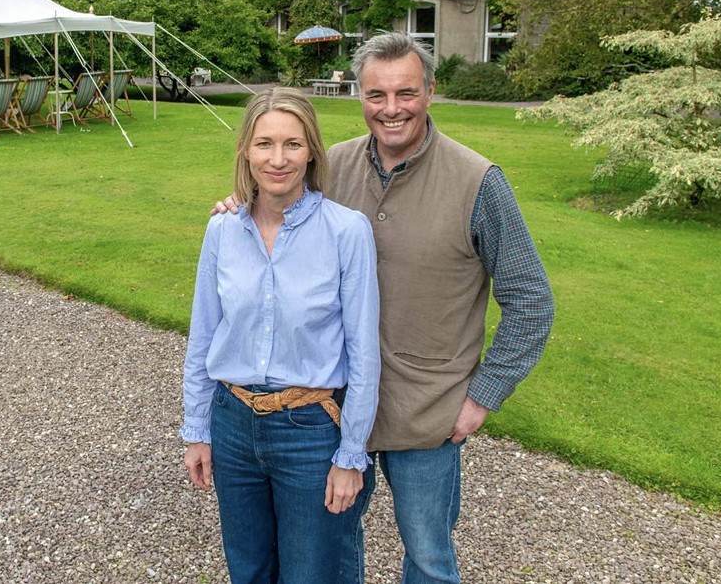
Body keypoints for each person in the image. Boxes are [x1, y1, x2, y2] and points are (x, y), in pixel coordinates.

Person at [216, 34, 554, 583]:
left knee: (427, 555)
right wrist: (240, 207)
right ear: (359, 96)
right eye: (376, 94)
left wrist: (482, 397)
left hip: (427, 410)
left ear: (431, 92)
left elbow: (532, 301)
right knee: (334, 544)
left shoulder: (477, 181)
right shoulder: (334, 166)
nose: (391, 108)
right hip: (332, 407)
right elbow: (278, 204)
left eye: (406, 92)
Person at [181, 87, 381, 584]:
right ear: (245, 151)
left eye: (292, 144)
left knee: (310, 574)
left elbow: (363, 351)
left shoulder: (346, 231)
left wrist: (351, 455)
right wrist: (196, 429)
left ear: (312, 150)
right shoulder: (222, 230)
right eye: (264, 144)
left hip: (310, 429)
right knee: (248, 570)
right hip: (232, 421)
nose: (277, 159)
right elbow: (203, 335)